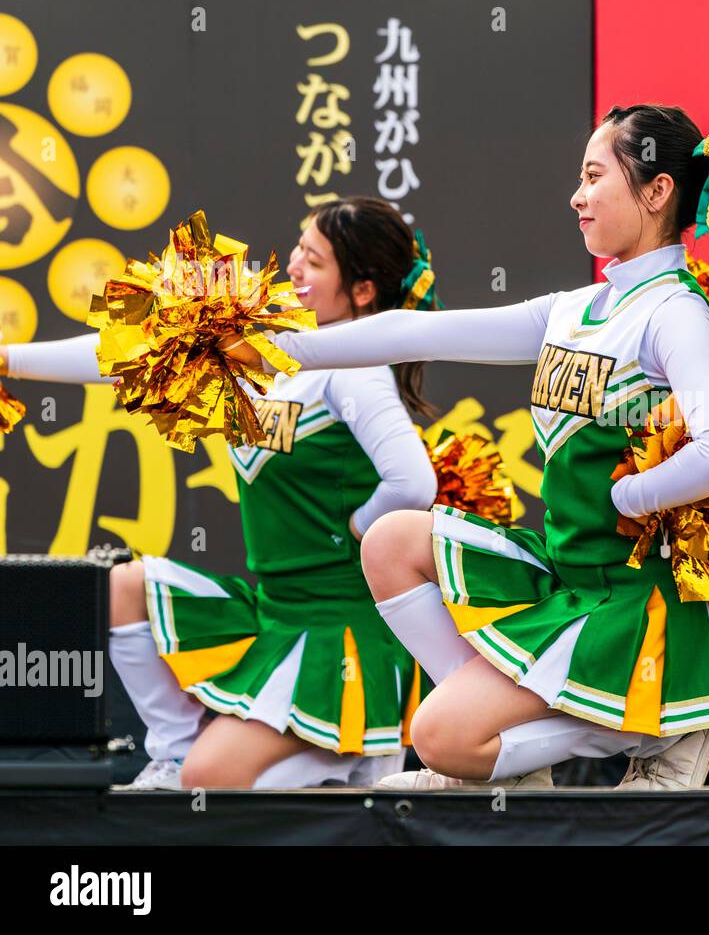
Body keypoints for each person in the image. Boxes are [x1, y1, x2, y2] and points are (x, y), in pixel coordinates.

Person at [227, 105, 709, 790]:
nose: (577, 196)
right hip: (566, 579)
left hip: (627, 607)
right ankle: (508, 762)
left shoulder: (671, 311)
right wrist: (273, 350)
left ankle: (652, 721)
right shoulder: (577, 310)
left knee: (435, 737)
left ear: (656, 193)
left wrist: (630, 495)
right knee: (389, 543)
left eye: (595, 177)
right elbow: (415, 335)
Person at [0, 197, 440, 789]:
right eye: (298, 250)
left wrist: (359, 532)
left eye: (314, 261)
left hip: (340, 631)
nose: (294, 267)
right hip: (276, 612)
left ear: (361, 292)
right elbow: (133, 359)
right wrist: (9, 361)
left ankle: (348, 764)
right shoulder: (264, 346)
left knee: (211, 784)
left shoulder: (355, 369)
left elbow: (412, 482)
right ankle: (177, 758)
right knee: (126, 588)